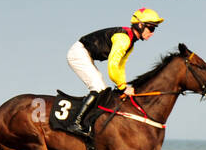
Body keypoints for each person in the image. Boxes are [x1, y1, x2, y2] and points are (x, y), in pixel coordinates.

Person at [65, 7, 163, 135]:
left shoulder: (130, 43)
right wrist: (122, 87)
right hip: (79, 53)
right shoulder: (123, 39)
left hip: (86, 54)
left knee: (102, 89)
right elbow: (113, 65)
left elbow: (121, 67)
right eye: (151, 28)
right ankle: (75, 123)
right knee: (98, 88)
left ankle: (85, 122)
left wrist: (123, 85)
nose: (152, 32)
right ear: (140, 25)